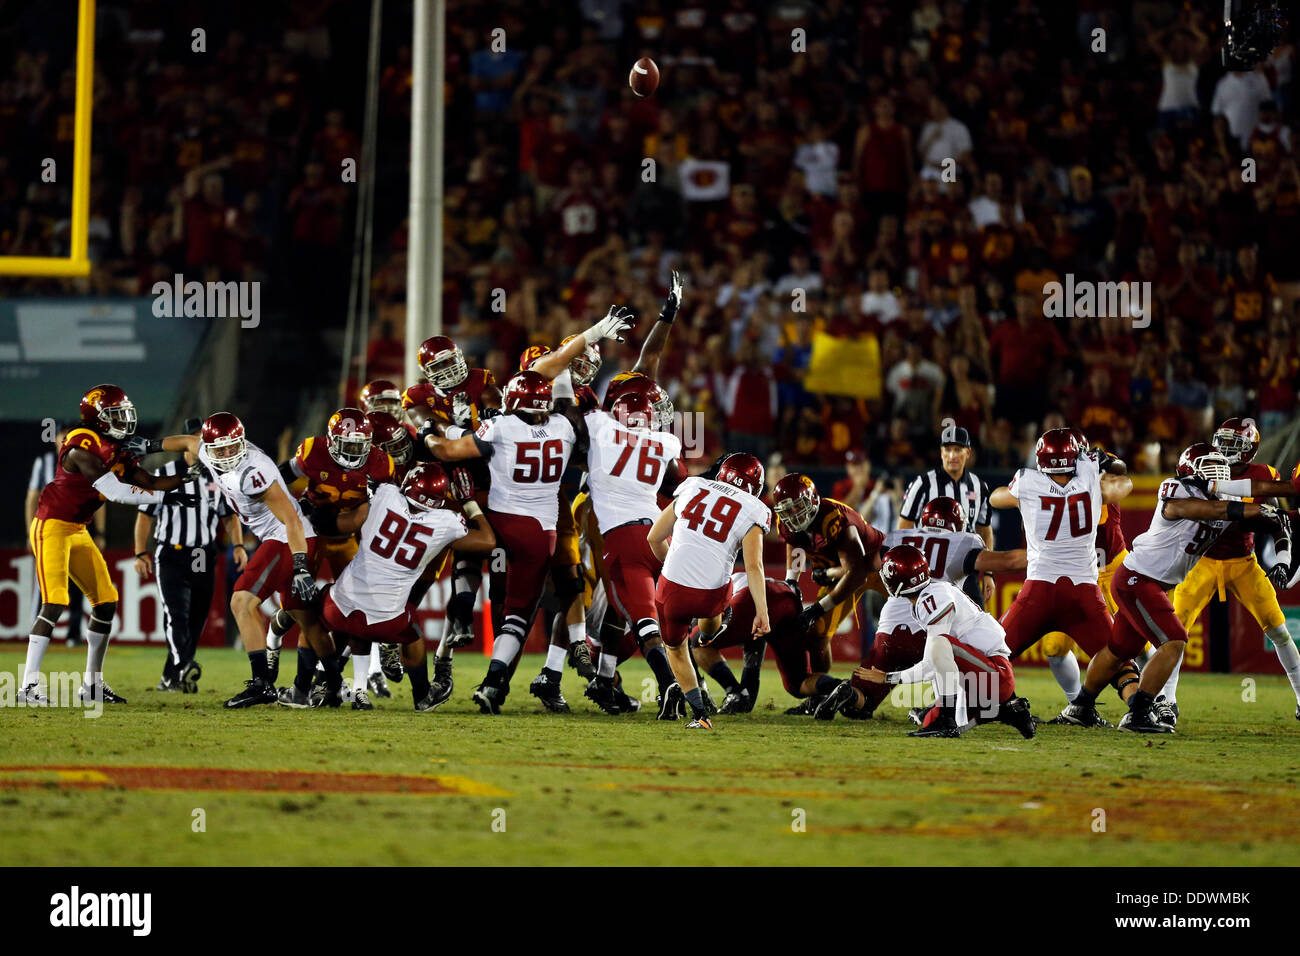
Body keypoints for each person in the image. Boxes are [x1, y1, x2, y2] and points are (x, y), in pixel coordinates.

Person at [1059, 443, 1290, 733]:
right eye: (1209, 468)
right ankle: (1139, 714)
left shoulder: (1220, 493)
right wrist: (1259, 510)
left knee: (1119, 649)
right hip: (1137, 579)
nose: (1217, 474)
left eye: (1219, 468)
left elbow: (1257, 492)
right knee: (1175, 641)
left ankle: (1080, 706)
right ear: (1190, 470)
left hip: (1146, 582)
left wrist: (1285, 502)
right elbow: (1213, 509)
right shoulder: (1176, 491)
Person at [22, 386, 192, 706]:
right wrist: (166, 497)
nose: (124, 421)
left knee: (106, 602)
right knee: (55, 601)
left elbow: (150, 481)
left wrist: (187, 478)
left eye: (124, 414)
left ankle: (92, 684)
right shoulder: (81, 443)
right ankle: (28, 684)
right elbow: (115, 491)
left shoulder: (114, 448)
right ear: (96, 418)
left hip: (78, 528)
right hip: (52, 526)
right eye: (115, 415)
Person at [648, 452, 773, 729]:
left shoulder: (692, 486)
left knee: (676, 650)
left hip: (670, 589)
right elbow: (754, 567)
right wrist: (761, 612)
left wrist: (672, 568)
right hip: (711, 594)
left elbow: (654, 537)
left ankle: (700, 716)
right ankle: (709, 632)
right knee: (714, 605)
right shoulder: (754, 509)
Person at [857, 545, 1035, 739]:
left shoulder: (932, 599)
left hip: (994, 677)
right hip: (981, 677)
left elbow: (931, 665)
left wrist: (887, 678)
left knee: (940, 644)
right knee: (928, 719)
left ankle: (947, 719)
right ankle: (1007, 710)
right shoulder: (931, 593)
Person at [133, 417, 230, 693]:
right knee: (176, 614)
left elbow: (229, 517)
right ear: (185, 444)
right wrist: (141, 552)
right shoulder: (165, 473)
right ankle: (184, 663)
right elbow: (144, 517)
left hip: (204, 555)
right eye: (197, 440)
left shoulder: (216, 477)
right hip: (172, 554)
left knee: (196, 619)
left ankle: (171, 677)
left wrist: (236, 547)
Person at [898, 425, 993, 605]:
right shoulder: (923, 484)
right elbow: (904, 528)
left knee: (975, 624)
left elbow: (984, 530)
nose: (952, 455)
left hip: (965, 570)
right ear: (941, 452)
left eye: (957, 449)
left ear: (968, 452)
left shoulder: (979, 487)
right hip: (928, 571)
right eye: (947, 449)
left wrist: (988, 573)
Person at [26, 425, 99, 647]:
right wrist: (30, 532)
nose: (67, 439)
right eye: (63, 435)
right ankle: (37, 635)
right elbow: (31, 497)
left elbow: (99, 496)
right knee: (47, 588)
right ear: (55, 438)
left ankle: (73, 634)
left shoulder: (85, 460)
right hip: (50, 530)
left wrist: (101, 532)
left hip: (78, 529)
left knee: (77, 586)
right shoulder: (45, 462)